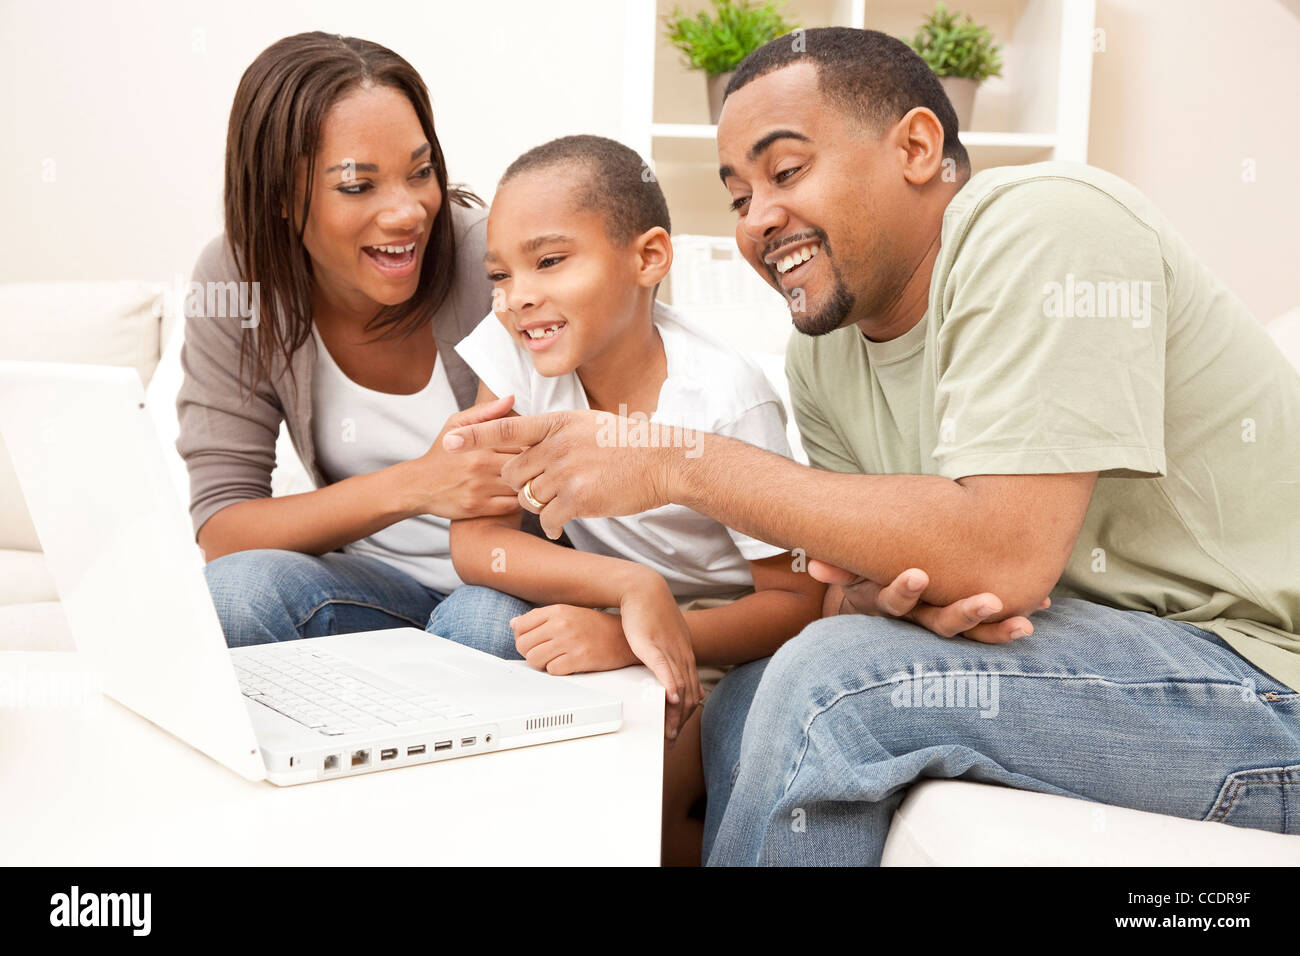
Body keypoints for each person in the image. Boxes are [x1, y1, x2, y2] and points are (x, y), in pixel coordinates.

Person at [441, 28, 1300, 865]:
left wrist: (673, 460)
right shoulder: (824, 354)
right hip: (1079, 653)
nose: (758, 221)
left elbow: (1002, 553)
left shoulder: (1046, 223)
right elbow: (855, 592)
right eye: (740, 197)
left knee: (836, 686)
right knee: (746, 702)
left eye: (786, 172)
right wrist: (892, 602)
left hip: (1262, 680)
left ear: (917, 147)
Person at [427, 135, 825, 864]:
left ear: (648, 259)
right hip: (614, 607)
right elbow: (473, 541)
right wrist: (625, 588)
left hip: (725, 638)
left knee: (652, 786)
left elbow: (797, 604)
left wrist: (631, 636)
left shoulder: (724, 400)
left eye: (549, 262)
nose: (517, 297)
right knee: (473, 624)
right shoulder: (521, 352)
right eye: (499, 274)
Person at [178, 32, 527, 645]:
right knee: (233, 594)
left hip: (516, 577)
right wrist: (418, 482)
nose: (407, 213)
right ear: (282, 196)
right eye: (357, 186)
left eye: (420, 173)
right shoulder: (240, 281)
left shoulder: (491, 261)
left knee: (482, 627)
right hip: (368, 587)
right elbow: (224, 531)